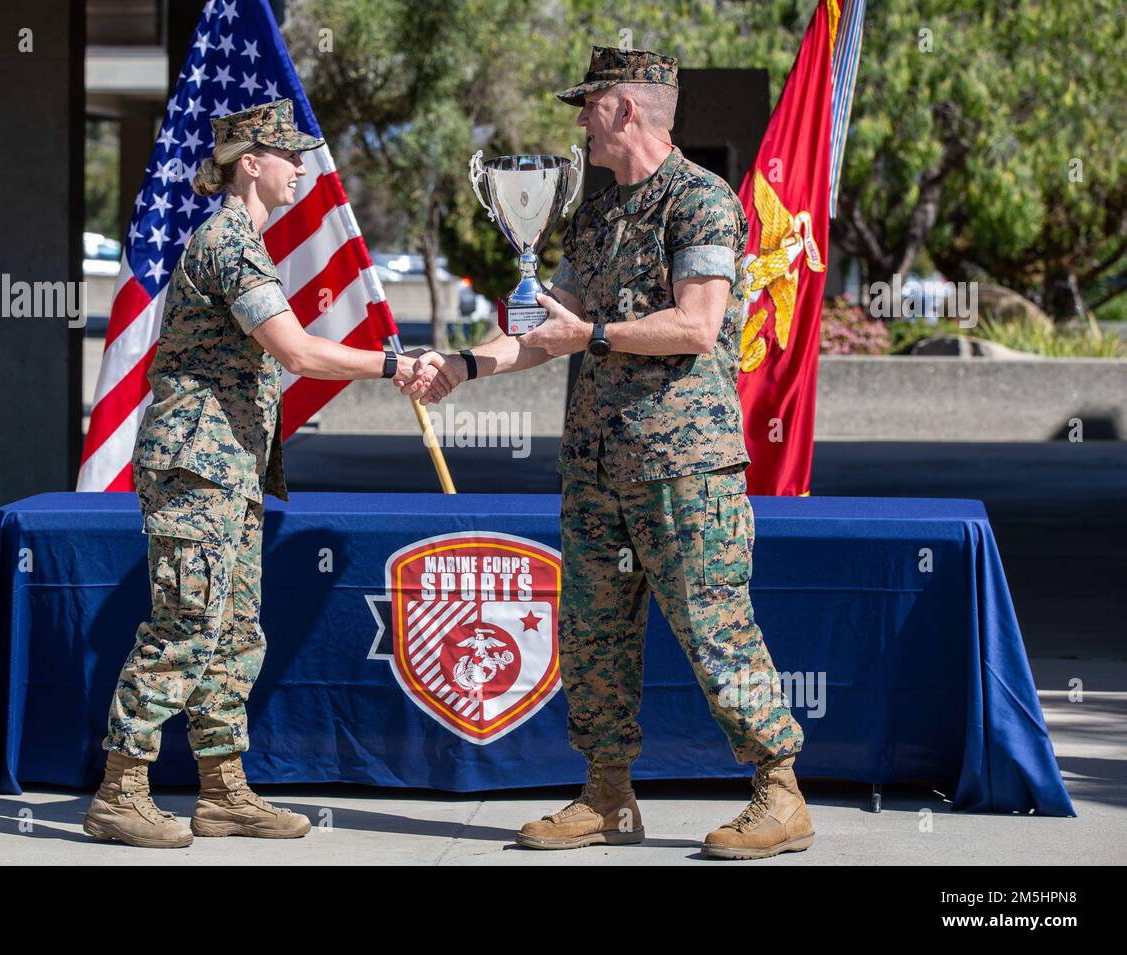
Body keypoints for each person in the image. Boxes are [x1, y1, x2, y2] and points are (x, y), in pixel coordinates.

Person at [412, 47, 813, 859]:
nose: (579, 121)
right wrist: (463, 365)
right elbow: (543, 330)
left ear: (625, 109)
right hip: (596, 465)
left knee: (713, 624)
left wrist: (590, 332)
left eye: (587, 105)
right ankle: (606, 794)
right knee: (592, 633)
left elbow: (698, 325)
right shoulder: (594, 214)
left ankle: (780, 790)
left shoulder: (702, 201)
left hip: (683, 466)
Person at [84, 99, 443, 849]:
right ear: (250, 162)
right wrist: (393, 364)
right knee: (187, 625)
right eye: (290, 156)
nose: (302, 170)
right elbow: (298, 352)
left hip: (230, 469)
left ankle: (222, 792)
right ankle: (120, 789)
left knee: (236, 632)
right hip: (197, 465)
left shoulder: (246, 240)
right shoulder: (227, 241)